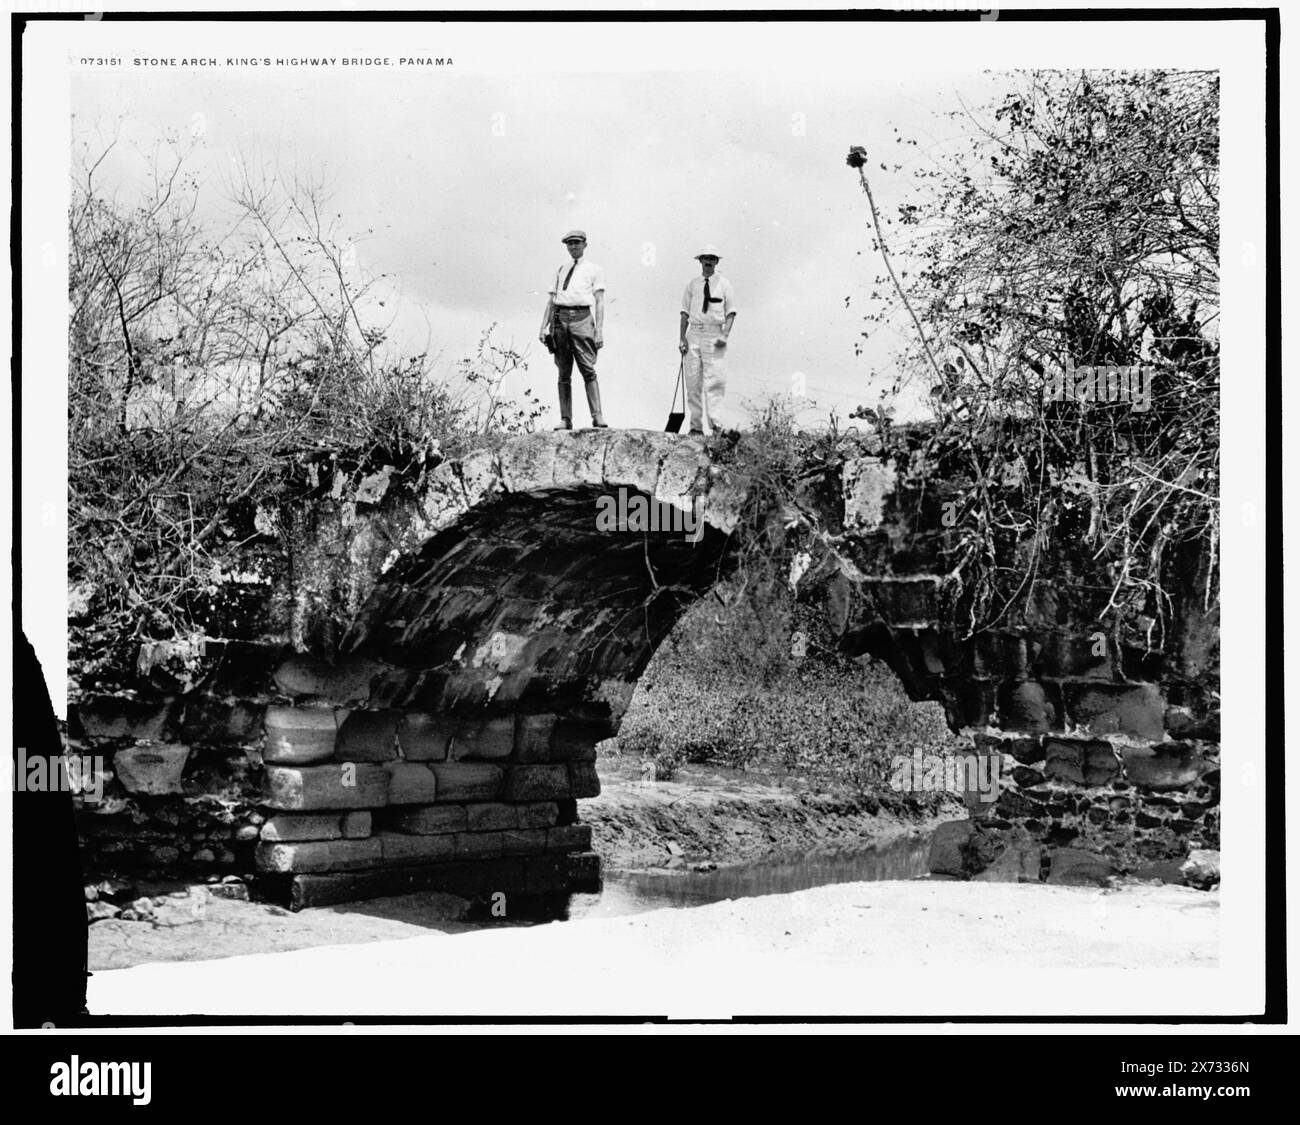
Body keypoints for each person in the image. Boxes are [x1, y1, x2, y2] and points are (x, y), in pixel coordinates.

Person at [539, 229, 607, 429]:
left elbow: (600, 301)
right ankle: (565, 418)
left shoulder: (594, 269)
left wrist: (599, 330)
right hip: (561, 319)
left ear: (585, 244)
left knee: (588, 369)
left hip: (582, 318)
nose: (573, 247)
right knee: (563, 372)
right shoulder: (561, 269)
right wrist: (543, 326)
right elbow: (552, 300)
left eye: (577, 243)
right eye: (569, 244)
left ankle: (598, 416)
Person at [678, 244, 737, 436]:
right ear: (700, 261)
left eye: (712, 258)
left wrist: (724, 335)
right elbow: (685, 313)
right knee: (693, 382)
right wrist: (682, 339)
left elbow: (731, 312)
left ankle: (716, 425)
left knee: (715, 381)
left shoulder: (724, 284)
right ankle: (695, 426)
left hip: (714, 335)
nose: (708, 262)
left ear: (717, 262)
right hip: (694, 333)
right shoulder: (692, 285)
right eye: (705, 258)